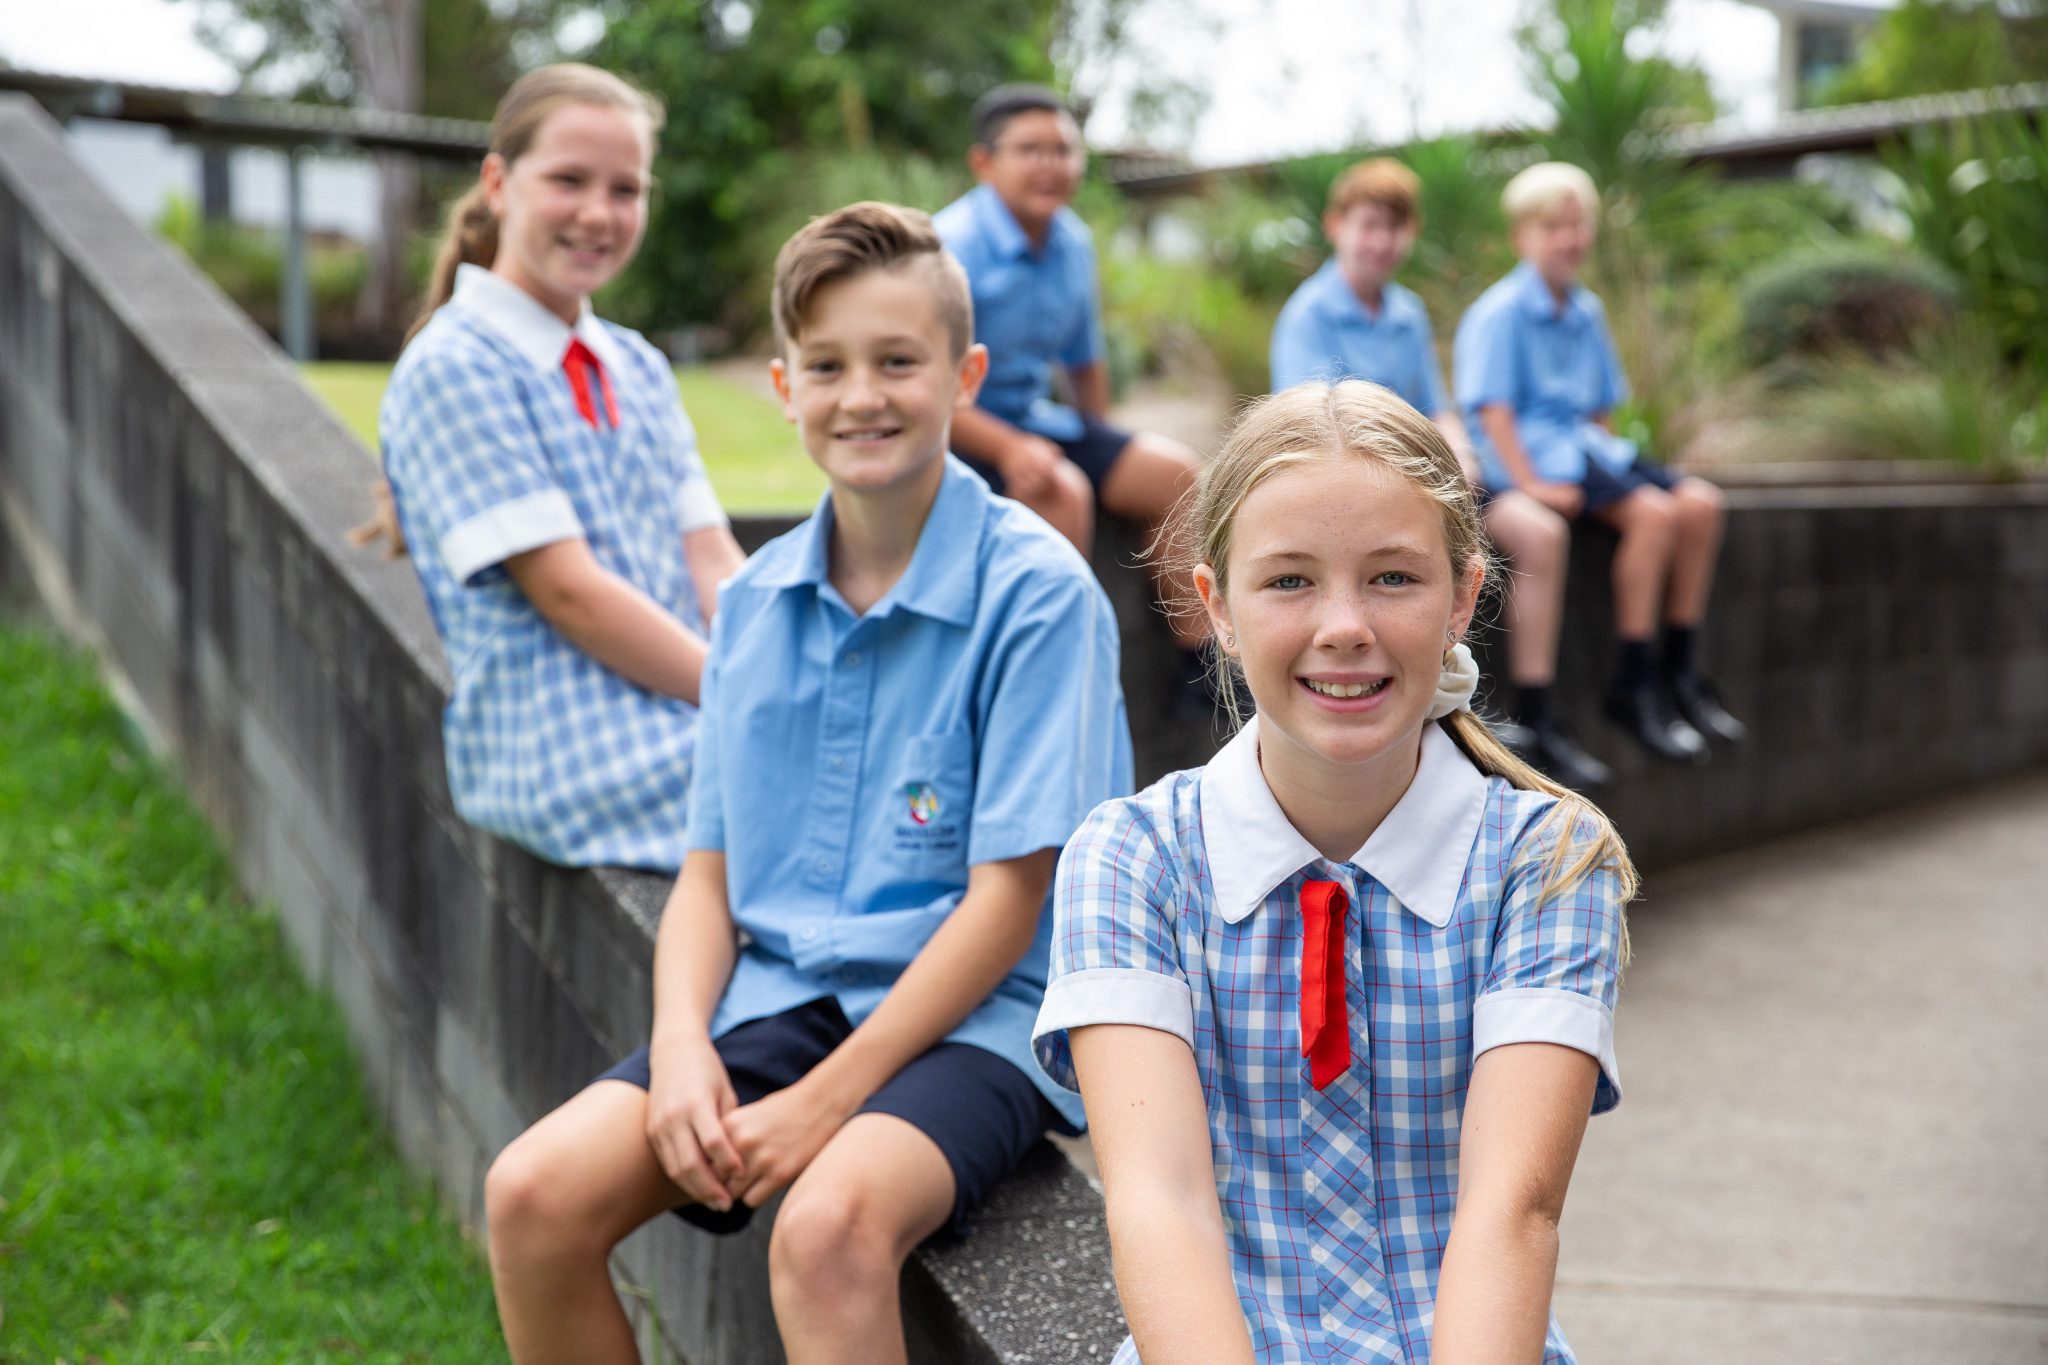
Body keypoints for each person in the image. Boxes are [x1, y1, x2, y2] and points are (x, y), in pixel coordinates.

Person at [482, 202, 1132, 1365]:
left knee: (824, 1228)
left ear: (963, 377)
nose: (860, 396)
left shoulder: (1037, 596)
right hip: (779, 999)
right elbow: (706, 874)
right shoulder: (752, 607)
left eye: (897, 361)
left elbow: (1008, 903)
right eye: (826, 366)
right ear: (783, 386)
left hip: (974, 1023)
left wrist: (828, 1103)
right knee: (532, 1194)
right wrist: (680, 1044)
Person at [1033, 380, 1635, 1363]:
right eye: (1288, 581)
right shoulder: (1130, 861)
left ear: (1462, 597)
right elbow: (1160, 1204)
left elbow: (1510, 1213)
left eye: (1393, 578)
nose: (1343, 625)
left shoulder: (1549, 864)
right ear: (1215, 608)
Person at [378, 63, 744, 870]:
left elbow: (710, 556)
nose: (597, 214)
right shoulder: (457, 364)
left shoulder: (637, 364)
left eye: (625, 189)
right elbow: (569, 593)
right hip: (564, 749)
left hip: (680, 711)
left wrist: (781, 660)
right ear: (499, 183)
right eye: (568, 180)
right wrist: (751, 698)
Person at [1271, 157, 1608, 790]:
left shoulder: (1407, 311)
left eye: (1394, 228)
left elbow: (1438, 405)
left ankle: (1536, 710)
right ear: (1336, 226)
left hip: (1432, 485)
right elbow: (1309, 425)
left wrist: (1458, 446)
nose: (1381, 241)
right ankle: (1438, 710)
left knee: (1538, 535)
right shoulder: (1308, 313)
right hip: (1354, 495)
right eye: (1369, 225)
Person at [1455, 162, 1745, 763]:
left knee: (1701, 504)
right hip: (1537, 460)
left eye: (1578, 224)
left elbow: (1601, 409)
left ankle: (1680, 672)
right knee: (1654, 515)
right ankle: (1632, 684)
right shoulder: (1501, 311)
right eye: (1553, 226)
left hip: (1587, 454)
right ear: (1523, 236)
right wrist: (1530, 482)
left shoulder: (1586, 311)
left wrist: (1615, 471)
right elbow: (1493, 412)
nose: (1568, 238)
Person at [933, 83, 1212, 708]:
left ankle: (1202, 674)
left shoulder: (1072, 242)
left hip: (1038, 423)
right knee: (1061, 490)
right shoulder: (946, 248)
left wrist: (1105, 441)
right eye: (1030, 149)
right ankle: (1054, 679)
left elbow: (1084, 363)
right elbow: (925, 388)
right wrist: (1009, 449)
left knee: (1175, 473)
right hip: (956, 432)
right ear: (984, 162)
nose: (1051, 164)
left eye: (1064, 149)